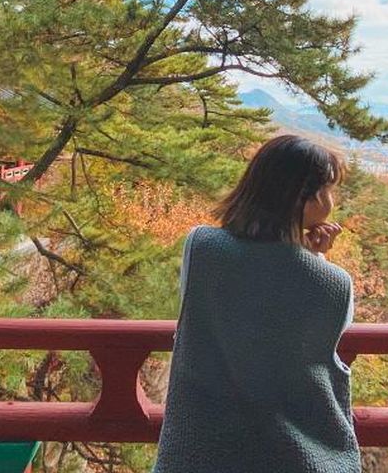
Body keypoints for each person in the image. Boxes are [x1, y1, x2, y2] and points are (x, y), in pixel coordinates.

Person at [152, 134, 361, 473]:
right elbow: (315, 327)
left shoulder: (202, 247)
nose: (332, 200)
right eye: (329, 190)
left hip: (198, 454)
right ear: (305, 198)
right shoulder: (335, 285)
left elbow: (246, 288)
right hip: (293, 458)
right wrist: (317, 258)